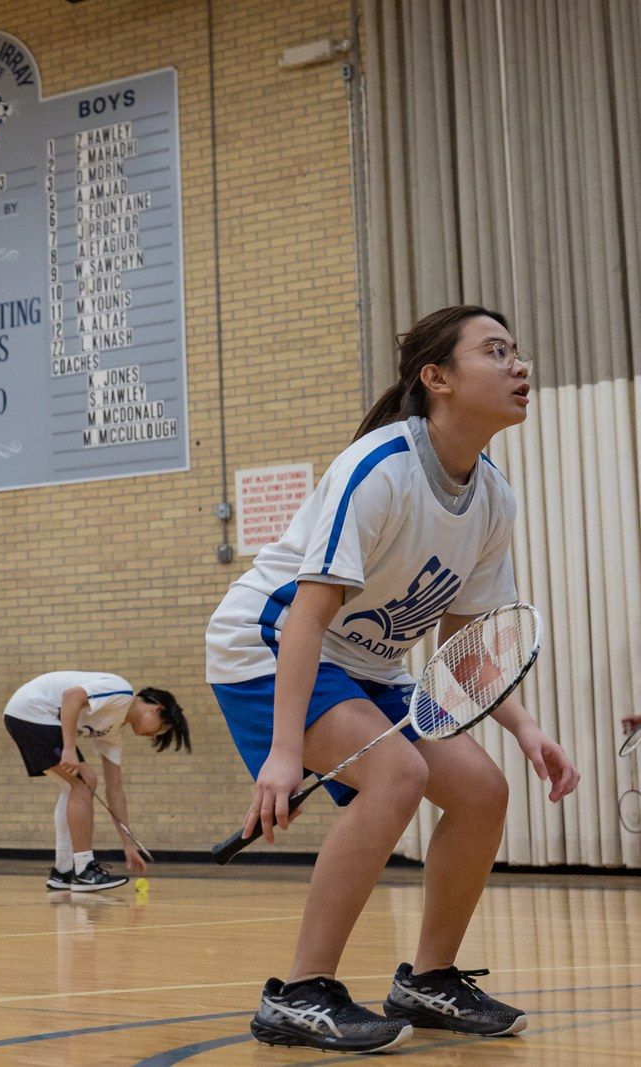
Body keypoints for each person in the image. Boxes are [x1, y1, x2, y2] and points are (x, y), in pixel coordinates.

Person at [206, 306, 580, 1052]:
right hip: (268, 643)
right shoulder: (378, 469)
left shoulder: (491, 497)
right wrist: (285, 752)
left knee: (481, 790)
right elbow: (307, 617)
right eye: (496, 351)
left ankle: (427, 979)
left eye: (517, 352)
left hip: (367, 664)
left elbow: (462, 639)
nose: (519, 367)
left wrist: (525, 725)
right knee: (397, 772)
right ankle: (301, 993)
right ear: (435, 378)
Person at [3, 672, 190, 891]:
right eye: (161, 728)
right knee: (85, 780)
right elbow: (72, 696)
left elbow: (115, 790)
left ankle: (63, 871)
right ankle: (84, 870)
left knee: (73, 785)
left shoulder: (112, 732)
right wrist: (69, 748)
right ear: (156, 709)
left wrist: (127, 845)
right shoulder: (122, 691)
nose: (155, 735)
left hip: (27, 715)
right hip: (32, 710)